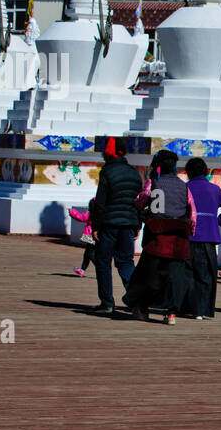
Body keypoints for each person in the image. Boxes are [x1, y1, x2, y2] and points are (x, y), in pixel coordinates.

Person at [124, 149, 196, 325]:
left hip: (156, 236)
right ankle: (171, 313)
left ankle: (143, 308)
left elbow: (140, 201)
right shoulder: (184, 186)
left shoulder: (153, 182)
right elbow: (192, 213)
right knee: (175, 277)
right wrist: (190, 232)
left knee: (149, 275)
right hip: (178, 238)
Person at [91, 137, 143, 316]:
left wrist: (95, 226)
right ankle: (137, 304)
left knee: (103, 261)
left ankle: (107, 303)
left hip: (109, 224)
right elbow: (139, 202)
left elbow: (100, 202)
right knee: (126, 262)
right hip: (128, 223)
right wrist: (138, 224)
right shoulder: (134, 173)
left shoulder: (107, 172)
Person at [185, 157, 221, 319]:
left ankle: (189, 308)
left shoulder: (186, 188)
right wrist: (219, 221)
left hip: (189, 236)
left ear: (189, 172)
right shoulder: (214, 189)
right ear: (206, 172)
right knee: (207, 274)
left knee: (189, 273)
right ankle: (203, 309)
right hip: (209, 236)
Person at [68, 200, 97, 276]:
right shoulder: (101, 214)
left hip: (90, 235)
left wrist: (72, 212)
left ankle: (99, 268)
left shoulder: (90, 214)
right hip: (98, 235)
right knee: (87, 254)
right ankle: (82, 269)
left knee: (90, 254)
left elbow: (81, 217)